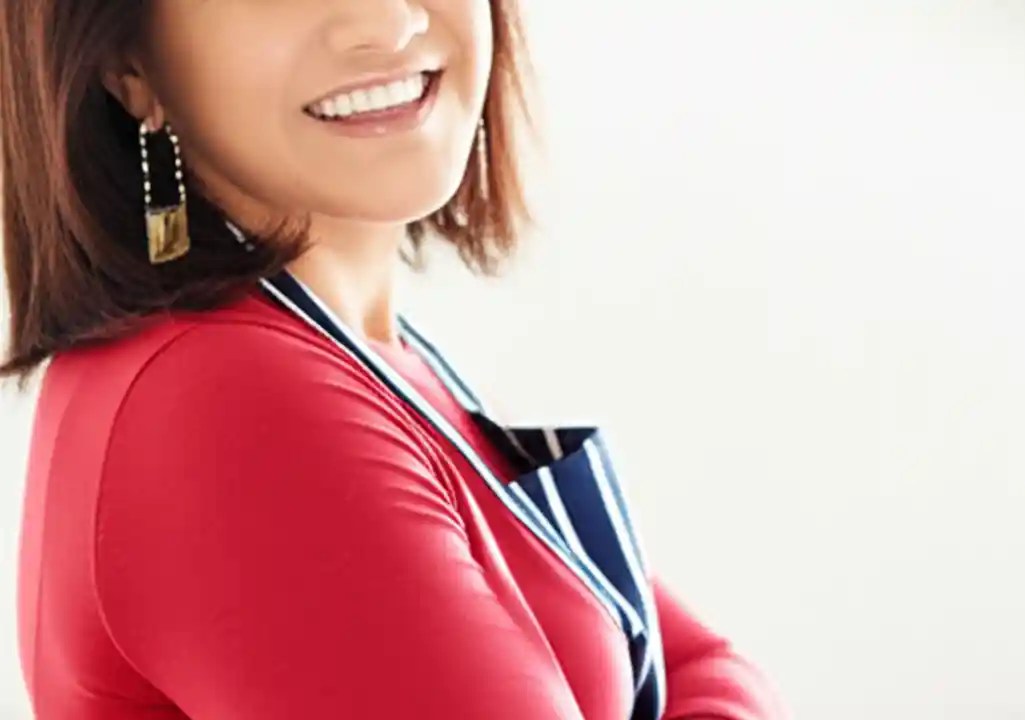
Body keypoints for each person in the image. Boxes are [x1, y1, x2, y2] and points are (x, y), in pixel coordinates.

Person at [0, 1, 788, 718]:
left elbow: (703, 663)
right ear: (128, 66)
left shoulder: (352, 357)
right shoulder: (227, 400)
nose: (385, 20)